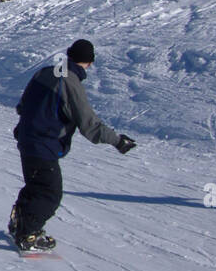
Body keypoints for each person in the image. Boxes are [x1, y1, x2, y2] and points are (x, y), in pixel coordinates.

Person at [9, 40, 137, 252]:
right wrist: (118, 141)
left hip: (27, 139)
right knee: (49, 193)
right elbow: (89, 125)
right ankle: (28, 233)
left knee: (35, 187)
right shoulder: (70, 83)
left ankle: (19, 223)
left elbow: (23, 105)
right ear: (89, 62)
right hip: (44, 144)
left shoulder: (45, 73)